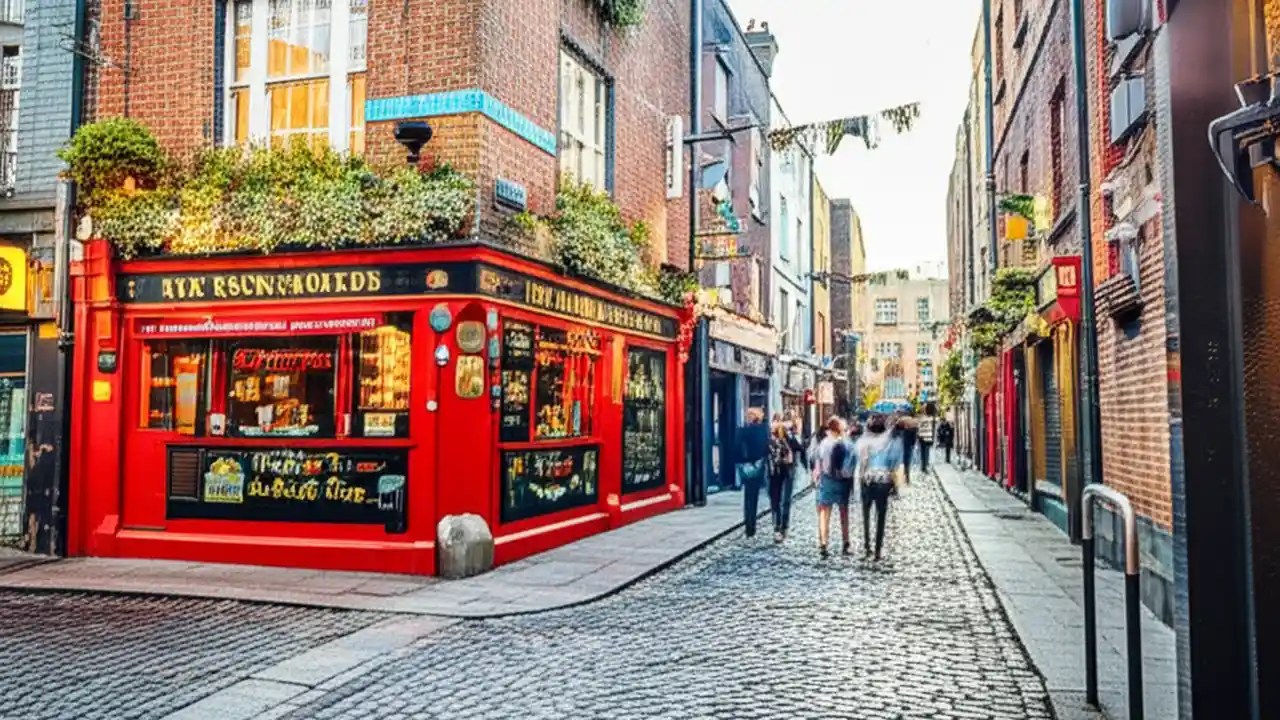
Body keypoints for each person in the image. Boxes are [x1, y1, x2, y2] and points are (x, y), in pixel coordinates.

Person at [855, 413, 905, 562]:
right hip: (883, 481)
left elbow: (861, 462)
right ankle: (878, 548)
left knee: (866, 513)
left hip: (868, 480)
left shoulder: (864, 442)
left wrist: (861, 479)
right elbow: (894, 464)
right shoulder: (889, 442)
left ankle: (866, 544)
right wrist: (896, 483)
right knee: (881, 515)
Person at [813, 416, 856, 558]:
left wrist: (816, 479)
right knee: (844, 511)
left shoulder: (823, 444)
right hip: (843, 481)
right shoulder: (848, 444)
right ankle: (846, 542)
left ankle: (823, 542)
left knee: (825, 512)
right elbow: (853, 463)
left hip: (827, 480)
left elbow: (817, 464)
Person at [767, 419, 805, 542]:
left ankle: (778, 527)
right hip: (786, 473)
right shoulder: (787, 440)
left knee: (777, 501)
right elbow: (801, 448)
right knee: (784, 501)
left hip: (776, 474)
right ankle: (782, 527)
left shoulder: (771, 442)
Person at [735, 407, 770, 538]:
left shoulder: (743, 430)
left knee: (748, 496)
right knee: (753, 496)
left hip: (746, 466)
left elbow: (736, 448)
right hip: (758, 465)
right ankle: (752, 526)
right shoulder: (762, 430)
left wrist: (741, 463)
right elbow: (766, 448)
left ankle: (748, 525)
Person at [896, 412, 918, 484]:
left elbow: (897, 427)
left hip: (904, 441)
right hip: (910, 442)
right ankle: (907, 475)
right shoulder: (915, 421)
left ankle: (904, 474)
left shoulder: (902, 420)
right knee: (908, 459)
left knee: (904, 459)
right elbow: (915, 433)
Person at [917, 403, 939, 474]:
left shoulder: (921, 418)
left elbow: (918, 426)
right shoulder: (933, 419)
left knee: (923, 452)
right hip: (928, 437)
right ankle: (925, 466)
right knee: (926, 452)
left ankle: (923, 466)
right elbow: (937, 413)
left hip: (921, 436)